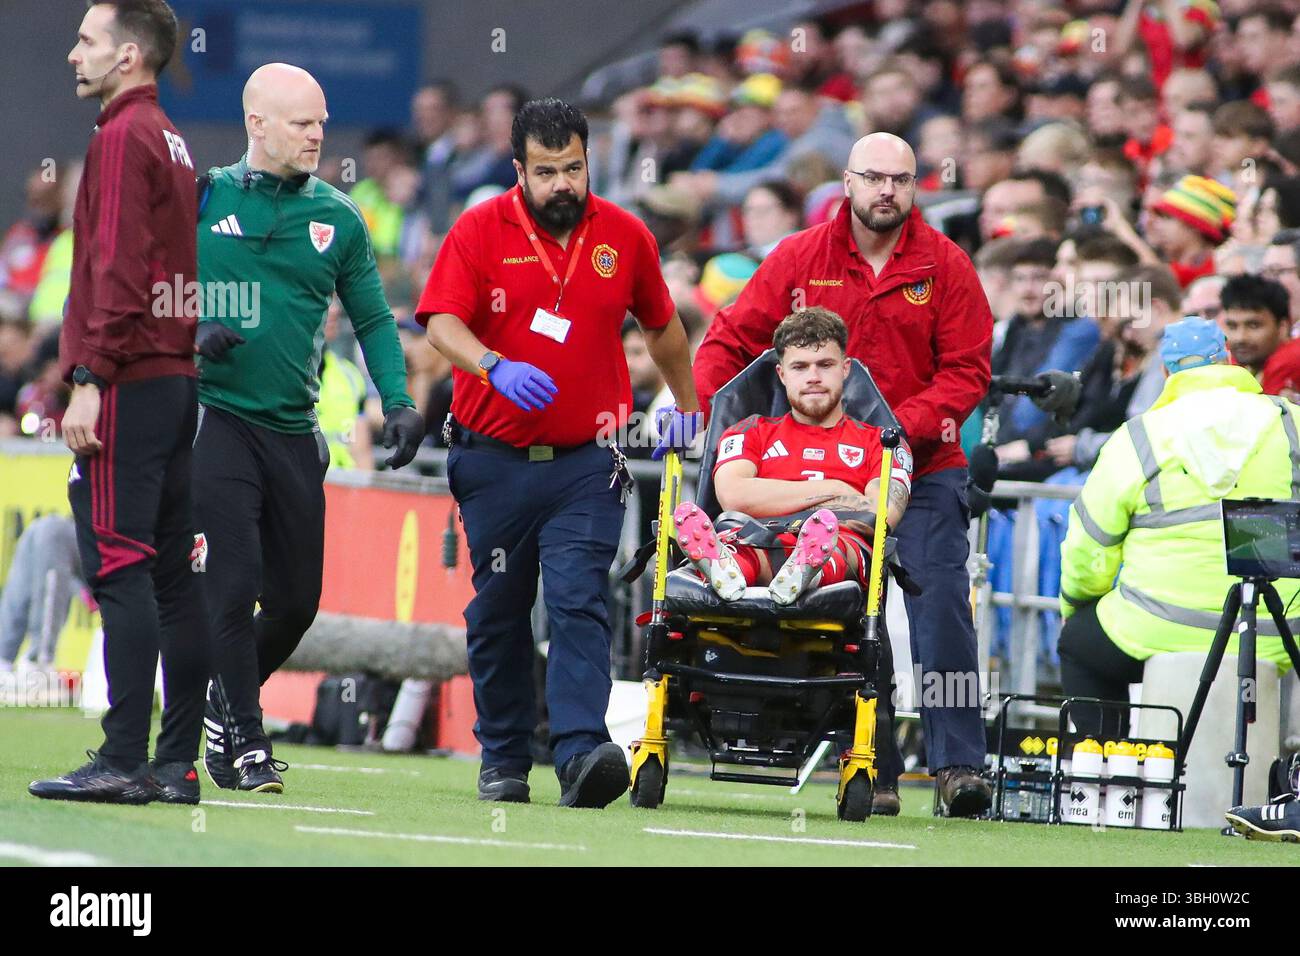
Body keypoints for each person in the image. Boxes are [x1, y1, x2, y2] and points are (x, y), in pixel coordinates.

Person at [693, 131, 994, 818]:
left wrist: (894, 431)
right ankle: (873, 766)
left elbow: (968, 370)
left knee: (942, 607)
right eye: (874, 178)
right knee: (854, 618)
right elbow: (729, 341)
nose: (887, 191)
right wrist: (719, 422)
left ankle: (959, 769)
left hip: (924, 465)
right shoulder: (799, 256)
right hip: (818, 469)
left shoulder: (946, 265)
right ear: (849, 182)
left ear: (917, 187)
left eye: (902, 180)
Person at [415, 98, 700, 808]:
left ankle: (580, 755)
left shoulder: (625, 236)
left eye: (573, 168)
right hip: (492, 462)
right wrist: (491, 365)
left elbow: (663, 326)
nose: (562, 184)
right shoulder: (480, 229)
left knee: (579, 599)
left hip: (584, 462)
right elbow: (440, 323)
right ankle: (505, 756)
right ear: (519, 170)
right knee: (502, 610)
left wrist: (688, 406)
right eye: (546, 172)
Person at [195, 63, 424, 794]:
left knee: (296, 604)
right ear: (257, 125)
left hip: (295, 431)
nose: (318, 133)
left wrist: (398, 402)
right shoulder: (201, 197)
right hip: (215, 417)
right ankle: (248, 741)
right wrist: (188, 327)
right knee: (231, 589)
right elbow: (145, 288)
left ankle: (221, 700)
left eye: (322, 120)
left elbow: (375, 319)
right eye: (302, 122)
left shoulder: (341, 217)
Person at [30, 0, 210, 806]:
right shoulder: (169, 137)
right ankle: (175, 764)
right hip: (174, 377)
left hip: (130, 379)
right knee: (171, 576)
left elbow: (118, 269)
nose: (73, 54)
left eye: (87, 40)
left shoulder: (119, 136)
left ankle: (121, 758)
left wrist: (91, 376)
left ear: (129, 55)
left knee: (121, 564)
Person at [1058, 318, 1300, 738]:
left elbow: (1090, 548)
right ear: (1228, 359)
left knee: (1079, 644)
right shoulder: (1291, 422)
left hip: (1155, 626)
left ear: (1167, 373)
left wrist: (1075, 604)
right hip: (1277, 632)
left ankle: (1109, 779)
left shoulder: (1138, 437)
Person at [675, 307, 912, 607]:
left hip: (840, 552)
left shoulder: (884, 442)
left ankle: (805, 572)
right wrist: (836, 490)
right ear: (782, 374)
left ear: (845, 368)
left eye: (825, 364)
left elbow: (880, 514)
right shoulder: (749, 431)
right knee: (743, 543)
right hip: (758, 538)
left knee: (837, 547)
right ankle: (728, 569)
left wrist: (775, 499)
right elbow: (733, 495)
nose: (813, 377)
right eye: (800, 367)